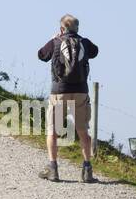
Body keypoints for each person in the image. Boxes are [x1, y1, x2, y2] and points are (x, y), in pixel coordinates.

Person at [37, 15, 99, 184]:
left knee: (53, 131)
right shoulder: (84, 42)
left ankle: (53, 169)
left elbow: (42, 55)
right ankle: (87, 170)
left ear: (62, 28)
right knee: (83, 132)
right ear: (77, 28)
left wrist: (52, 39)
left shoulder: (56, 41)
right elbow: (95, 52)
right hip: (80, 91)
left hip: (59, 91)